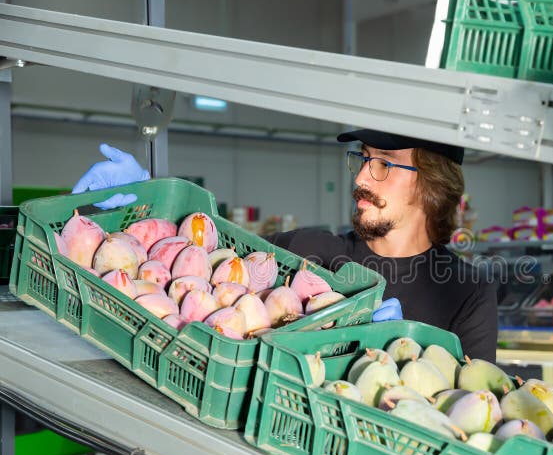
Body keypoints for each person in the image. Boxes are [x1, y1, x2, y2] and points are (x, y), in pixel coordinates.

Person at [73, 130, 498, 362]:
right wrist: (145, 197)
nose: (361, 179)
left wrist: (409, 352)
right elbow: (198, 259)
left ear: (432, 184)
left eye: (383, 163)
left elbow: (472, 402)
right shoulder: (308, 251)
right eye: (363, 158)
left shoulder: (465, 292)